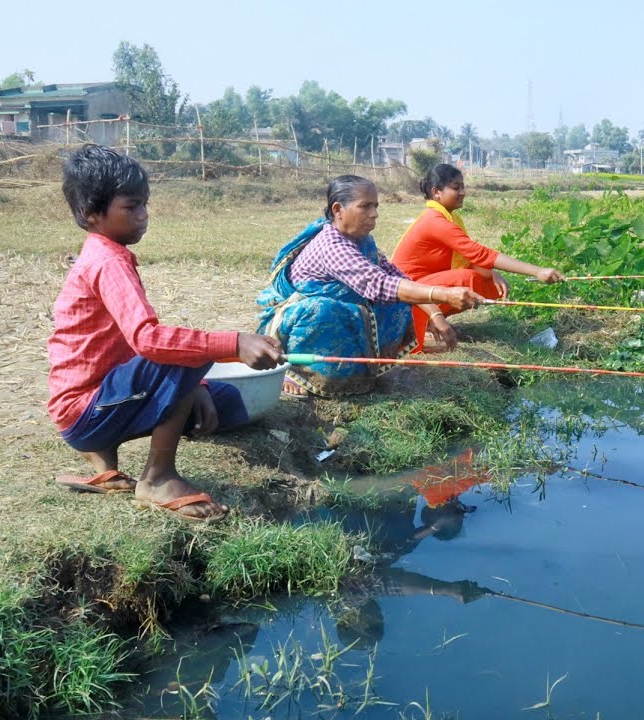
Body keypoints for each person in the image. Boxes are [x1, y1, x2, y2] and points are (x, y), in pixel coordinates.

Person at [48, 145, 285, 521]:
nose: (143, 215)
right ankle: (158, 478)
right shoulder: (108, 262)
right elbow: (148, 340)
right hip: (87, 412)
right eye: (131, 206)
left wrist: (196, 386)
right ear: (91, 212)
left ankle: (104, 458)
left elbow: (125, 345)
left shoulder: (103, 255)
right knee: (191, 351)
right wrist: (233, 343)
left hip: (93, 405)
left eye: (144, 204)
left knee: (226, 403)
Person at [256, 175, 483, 397]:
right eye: (365, 206)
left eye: (375, 206)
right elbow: (379, 284)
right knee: (324, 311)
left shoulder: (363, 242)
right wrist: (444, 295)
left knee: (396, 302)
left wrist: (435, 314)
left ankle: (361, 370)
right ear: (338, 209)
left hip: (341, 312)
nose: (374, 214)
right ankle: (293, 370)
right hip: (300, 320)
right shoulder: (331, 245)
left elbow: (395, 276)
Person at [392, 163, 566, 351]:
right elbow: (479, 253)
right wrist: (537, 271)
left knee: (485, 279)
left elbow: (467, 257)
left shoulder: (448, 218)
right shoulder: (434, 220)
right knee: (469, 280)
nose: (463, 192)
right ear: (436, 192)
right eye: (456, 188)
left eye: (463, 187)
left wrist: (491, 273)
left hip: (420, 288)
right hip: (405, 298)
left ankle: (429, 323)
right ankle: (418, 328)